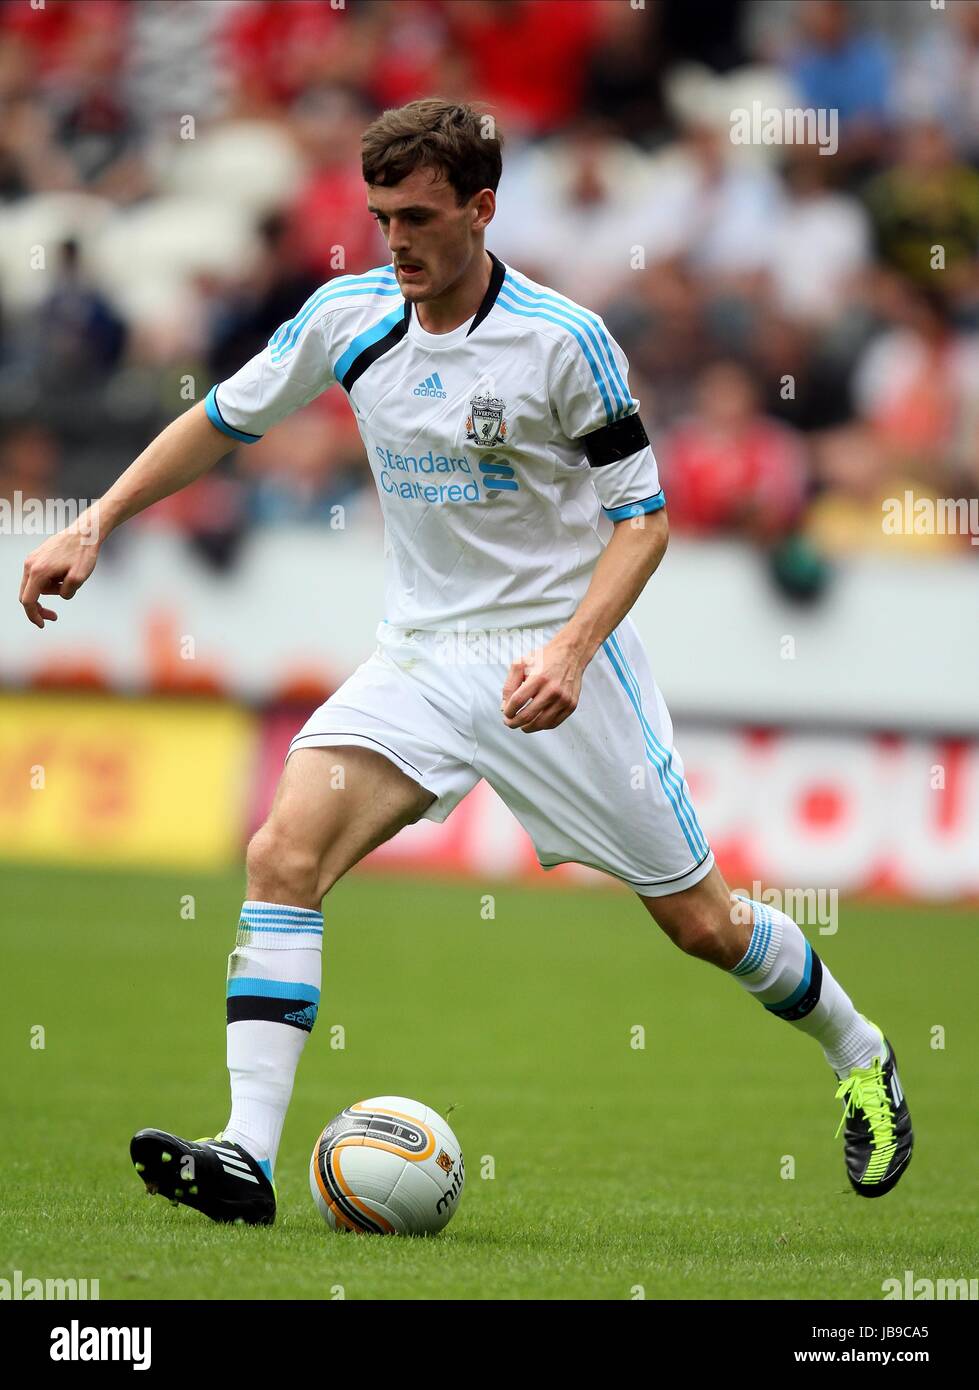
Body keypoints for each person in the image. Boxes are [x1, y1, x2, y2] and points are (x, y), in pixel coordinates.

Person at [19, 100, 912, 1229]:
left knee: (704, 924)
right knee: (282, 851)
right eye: (381, 216)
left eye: (421, 218)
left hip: (555, 658)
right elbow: (223, 421)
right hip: (424, 658)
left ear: (483, 209)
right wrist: (96, 521)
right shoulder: (348, 315)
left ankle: (863, 1053)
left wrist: (574, 651)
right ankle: (244, 1153)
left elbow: (641, 519)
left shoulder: (563, 340)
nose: (396, 243)